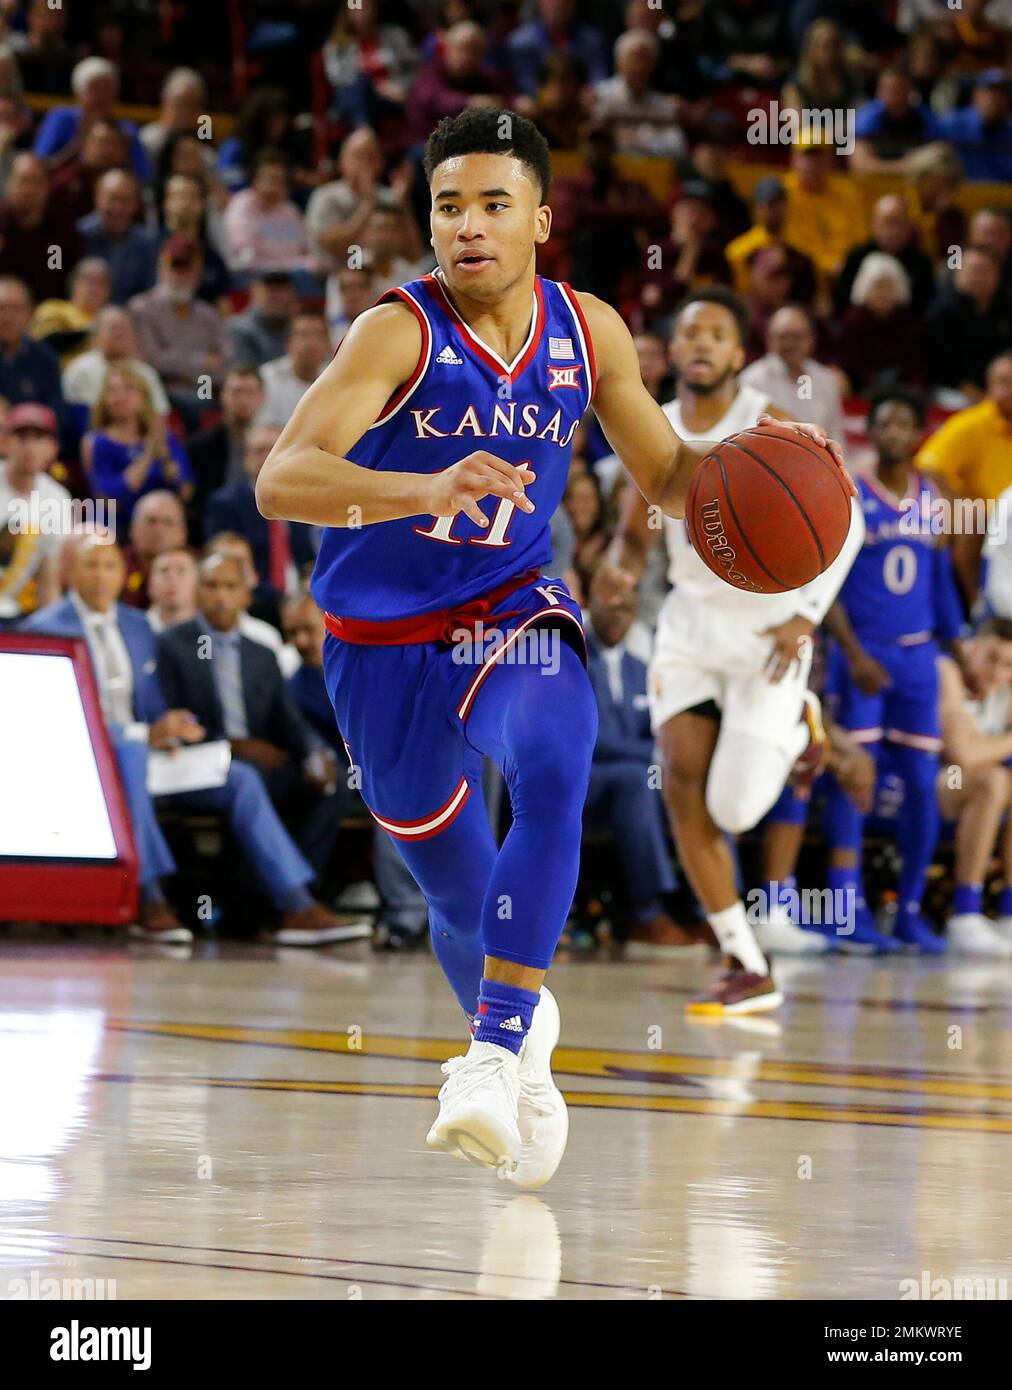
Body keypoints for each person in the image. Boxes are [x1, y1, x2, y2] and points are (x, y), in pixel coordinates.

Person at [255, 109, 847, 1185]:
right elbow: (281, 480)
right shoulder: (395, 332)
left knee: (555, 765)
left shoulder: (592, 332)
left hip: (509, 606)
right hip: (379, 643)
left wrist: (752, 468)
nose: (467, 226)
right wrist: (419, 488)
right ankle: (521, 1037)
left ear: (539, 217)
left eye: (491, 204)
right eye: (446, 206)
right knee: (451, 891)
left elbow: (668, 478)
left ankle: (484, 1055)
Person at [613, 285, 862, 998]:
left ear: (736, 354)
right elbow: (635, 537)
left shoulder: (768, 423)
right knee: (681, 787)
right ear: (674, 351)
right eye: (689, 333)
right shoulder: (654, 428)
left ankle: (800, 728)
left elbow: (849, 521)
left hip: (770, 630)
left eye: (716, 333)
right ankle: (744, 960)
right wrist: (619, 575)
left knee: (735, 810)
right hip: (690, 627)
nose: (699, 344)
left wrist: (807, 612)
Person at [823, 390, 965, 954]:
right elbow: (825, 585)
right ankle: (844, 908)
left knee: (923, 786)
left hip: (918, 658)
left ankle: (908, 911)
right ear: (872, 433)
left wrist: (956, 647)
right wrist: (854, 654)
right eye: (884, 422)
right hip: (863, 656)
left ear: (919, 432)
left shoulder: (937, 496)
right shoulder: (851, 493)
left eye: (905, 422)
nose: (894, 432)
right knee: (854, 779)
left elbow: (939, 580)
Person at [157, 552, 366, 912]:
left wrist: (318, 754)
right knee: (251, 778)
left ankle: (302, 893)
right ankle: (292, 905)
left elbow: (291, 723)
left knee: (327, 786)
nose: (220, 596)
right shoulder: (173, 644)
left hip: (262, 765)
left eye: (229, 586)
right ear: (198, 592)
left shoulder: (261, 654)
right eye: (211, 586)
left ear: (246, 596)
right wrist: (233, 747)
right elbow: (171, 721)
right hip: (199, 765)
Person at [282, 589, 430, 950]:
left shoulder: (366, 661)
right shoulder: (295, 686)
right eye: (292, 634)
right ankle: (404, 916)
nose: (300, 641)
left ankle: (438, 913)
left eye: (307, 629)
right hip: (346, 775)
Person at [584, 563, 689, 951]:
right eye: (610, 606)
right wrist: (658, 756)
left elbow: (659, 727)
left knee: (689, 779)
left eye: (626, 609)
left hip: (635, 777)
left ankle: (705, 909)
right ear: (591, 604)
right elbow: (595, 739)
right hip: (584, 781)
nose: (618, 616)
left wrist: (671, 757)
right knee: (640, 778)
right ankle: (647, 912)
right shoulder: (570, 659)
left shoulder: (640, 669)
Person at [937, 619, 1012, 956]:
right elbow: (961, 756)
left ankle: (1008, 913)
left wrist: (986, 746)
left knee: (997, 780)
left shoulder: (1005, 692)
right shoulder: (948, 671)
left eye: (1008, 665)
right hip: (935, 777)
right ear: (973, 649)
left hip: (972, 780)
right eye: (991, 659)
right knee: (993, 780)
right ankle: (965, 913)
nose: (998, 672)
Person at [919, 351, 1012, 606]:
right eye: (1004, 382)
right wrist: (954, 499)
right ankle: (977, 606)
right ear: (989, 385)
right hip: (985, 517)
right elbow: (928, 466)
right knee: (971, 517)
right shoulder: (970, 424)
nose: (1009, 390)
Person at [204, 424, 317, 621]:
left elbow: (309, 559)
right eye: (259, 450)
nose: (267, 457)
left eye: (274, 449)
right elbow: (226, 563)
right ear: (246, 458)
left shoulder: (305, 501)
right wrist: (282, 601)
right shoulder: (226, 504)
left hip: (303, 605)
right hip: (255, 605)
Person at [128, 233, 226, 426]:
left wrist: (182, 366)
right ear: (161, 269)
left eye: (187, 268)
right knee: (198, 404)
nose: (179, 276)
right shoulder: (142, 308)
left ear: (198, 273)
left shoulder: (209, 315)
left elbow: (225, 364)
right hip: (162, 389)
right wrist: (203, 361)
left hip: (206, 388)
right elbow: (153, 359)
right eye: (174, 267)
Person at [82, 365, 192, 531]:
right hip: (115, 528)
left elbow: (185, 491)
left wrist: (166, 460)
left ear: (144, 397)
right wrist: (148, 455)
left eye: (129, 389)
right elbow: (108, 498)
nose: (120, 397)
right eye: (112, 391)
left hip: (160, 526)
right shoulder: (95, 442)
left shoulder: (163, 437)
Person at [741, 304, 846, 442]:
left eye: (797, 336)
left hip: (817, 459)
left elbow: (836, 435)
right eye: (783, 337)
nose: (790, 343)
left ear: (811, 339)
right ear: (770, 340)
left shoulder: (826, 380)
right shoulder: (751, 380)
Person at [0, 402, 66, 620]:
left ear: (53, 448)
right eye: (22, 437)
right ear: (5, 442)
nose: (30, 447)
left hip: (15, 614)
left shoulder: (58, 500)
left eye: (38, 438)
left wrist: (49, 628)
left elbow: (51, 576)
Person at [835, 194, 937, 317]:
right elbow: (842, 303)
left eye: (898, 222)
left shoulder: (921, 262)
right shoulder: (857, 256)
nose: (893, 230)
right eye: (887, 222)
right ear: (874, 224)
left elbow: (926, 307)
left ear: (908, 226)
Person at [0, 152, 83, 301]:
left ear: (47, 187)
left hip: (47, 313)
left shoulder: (60, 232)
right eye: (23, 181)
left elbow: (58, 275)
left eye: (37, 182)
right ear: (8, 184)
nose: (29, 190)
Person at [591, 30, 685, 161]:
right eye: (634, 58)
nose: (640, 66)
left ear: (653, 65)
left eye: (646, 59)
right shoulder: (600, 97)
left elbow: (676, 148)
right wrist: (648, 140)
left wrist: (630, 138)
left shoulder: (663, 104)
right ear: (619, 62)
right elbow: (597, 142)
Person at [61, 305, 170, 417]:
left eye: (124, 328)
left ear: (135, 336)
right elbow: (80, 418)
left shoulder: (146, 372)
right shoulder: (81, 369)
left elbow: (161, 415)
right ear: (96, 335)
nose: (119, 333)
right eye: (113, 328)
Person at [77, 169, 159, 304]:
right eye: (112, 199)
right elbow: (55, 271)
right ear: (97, 198)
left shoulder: (148, 244)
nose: (118, 208)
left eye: (125, 201)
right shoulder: (77, 235)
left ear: (136, 204)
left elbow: (151, 292)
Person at [185, 367, 265, 505]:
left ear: (262, 397)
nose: (243, 400)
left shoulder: (274, 444)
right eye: (236, 392)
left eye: (250, 392)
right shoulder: (199, 446)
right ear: (223, 395)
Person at [0, 275, 63, 417]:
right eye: (2, 308)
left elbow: (57, 417)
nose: (7, 317)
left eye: (16, 309)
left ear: (30, 315)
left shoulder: (47, 360)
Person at [30, 257, 111, 365]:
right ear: (73, 283)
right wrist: (90, 331)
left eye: (101, 283)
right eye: (89, 281)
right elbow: (45, 344)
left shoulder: (112, 318)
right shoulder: (54, 308)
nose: (94, 289)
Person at [258, 311, 333, 428]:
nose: (310, 343)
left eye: (318, 335)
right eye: (303, 335)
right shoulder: (266, 378)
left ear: (328, 344)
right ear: (289, 342)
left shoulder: (337, 380)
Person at [225, 271, 297, 370]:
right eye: (270, 289)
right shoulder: (238, 328)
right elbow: (247, 374)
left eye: (281, 288)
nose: (276, 296)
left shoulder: (298, 325)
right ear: (254, 290)